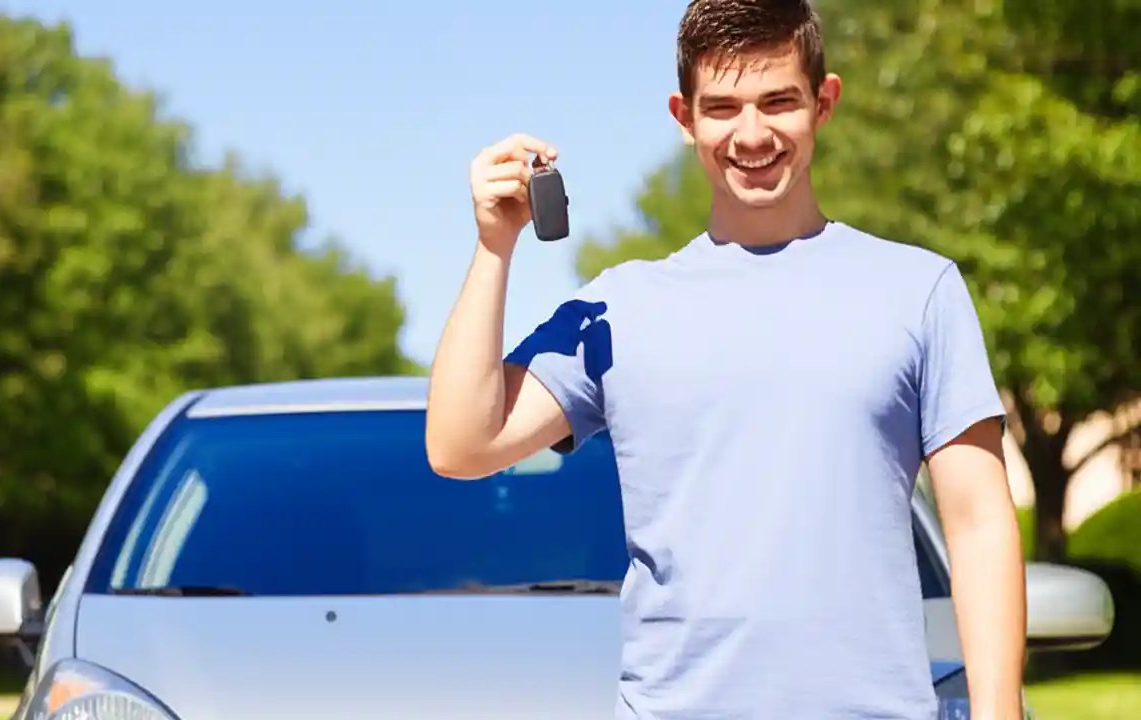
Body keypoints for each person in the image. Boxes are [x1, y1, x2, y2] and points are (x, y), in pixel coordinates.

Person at [424, 0, 1027, 717]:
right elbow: (460, 445)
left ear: (823, 102)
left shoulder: (920, 289)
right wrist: (495, 245)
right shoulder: (621, 306)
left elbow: (979, 522)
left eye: (778, 101)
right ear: (685, 118)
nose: (752, 134)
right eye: (723, 107)